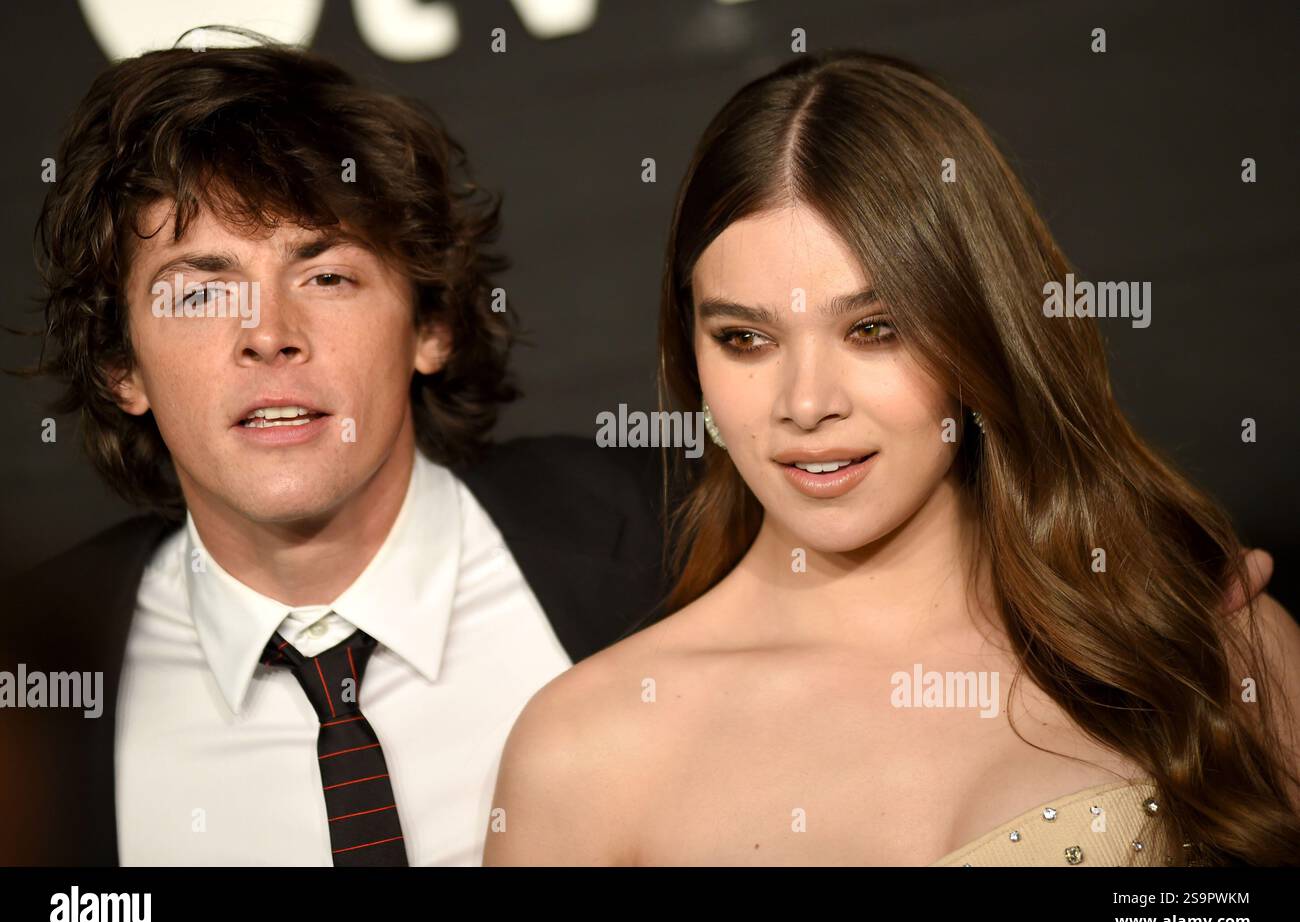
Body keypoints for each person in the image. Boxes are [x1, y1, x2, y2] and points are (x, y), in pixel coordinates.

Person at [484, 51, 1300, 866]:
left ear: (979, 328)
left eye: (874, 329)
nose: (806, 404)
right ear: (690, 355)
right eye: (746, 339)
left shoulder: (1196, 641)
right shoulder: (581, 752)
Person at [0, 32, 668, 865]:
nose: (269, 336)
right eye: (201, 291)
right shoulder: (32, 688)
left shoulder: (673, 539)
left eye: (326, 277)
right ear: (120, 365)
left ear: (431, 324)